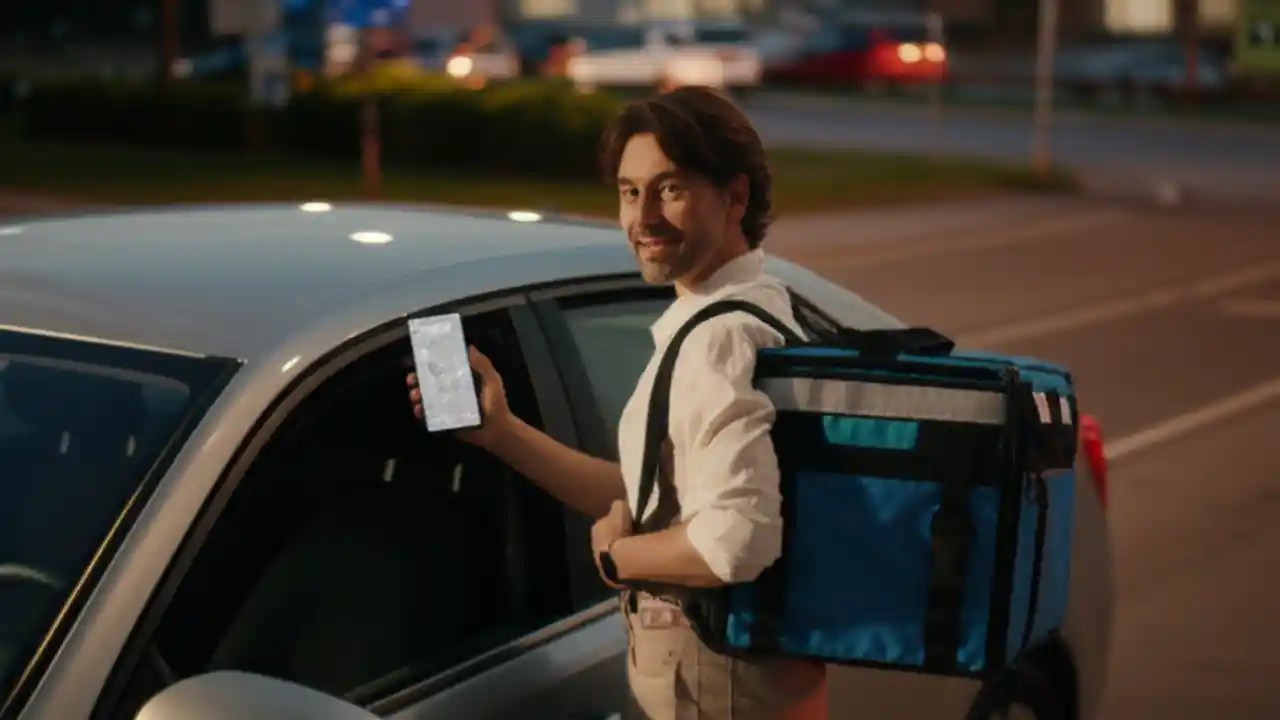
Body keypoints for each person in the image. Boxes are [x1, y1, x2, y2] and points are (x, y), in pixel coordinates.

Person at [408, 86, 828, 719]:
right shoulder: (739, 310)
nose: (643, 218)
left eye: (671, 189)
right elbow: (658, 500)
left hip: (723, 694)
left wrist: (615, 556)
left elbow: (736, 541)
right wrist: (503, 432)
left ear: (735, 197)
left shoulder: (719, 338)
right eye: (630, 192)